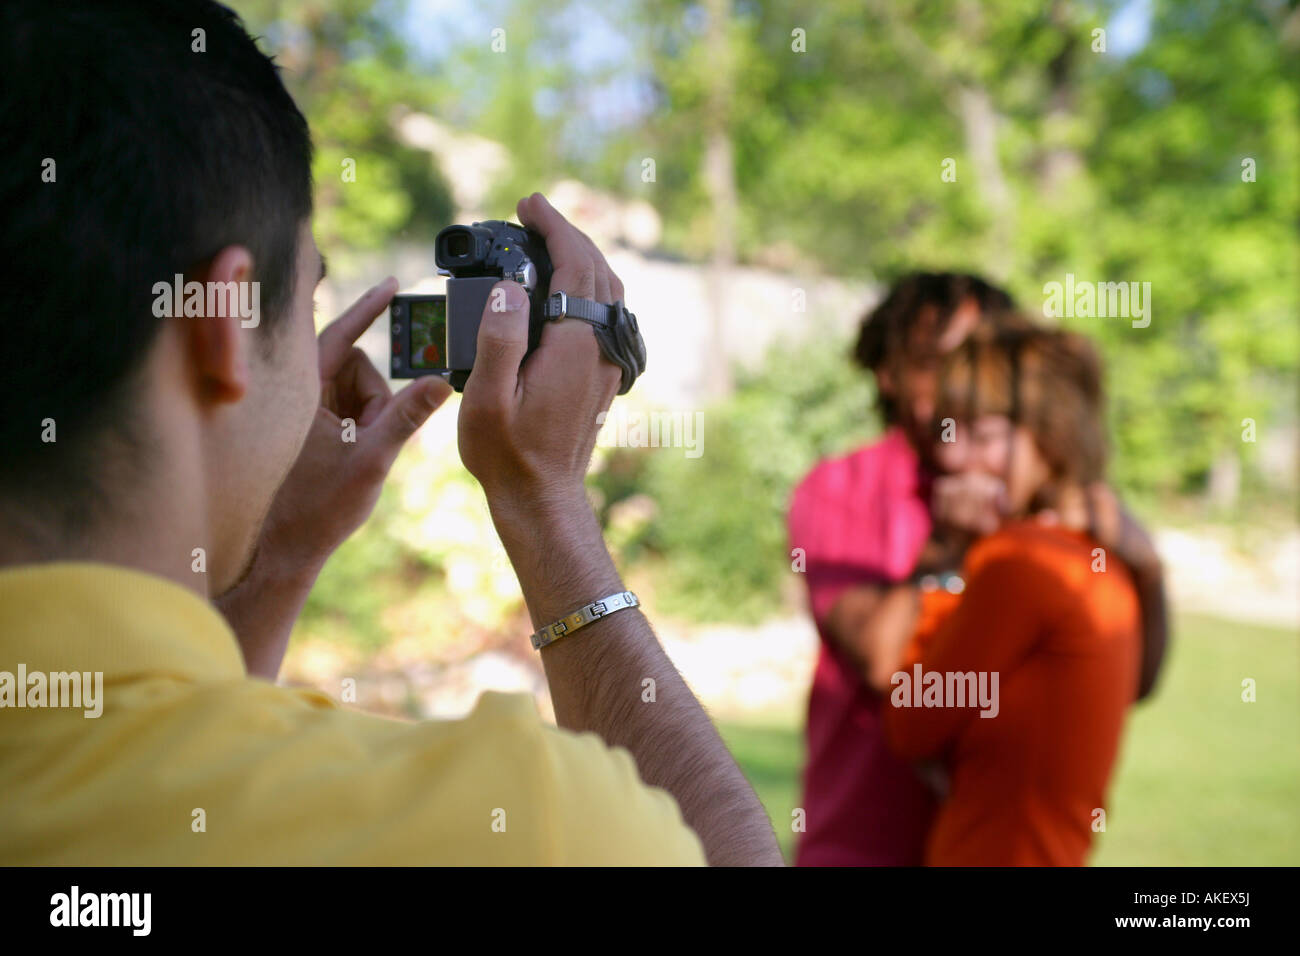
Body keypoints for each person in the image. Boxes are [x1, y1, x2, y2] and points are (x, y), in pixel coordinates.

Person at [0, 0, 782, 867]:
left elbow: (156, 782)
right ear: (219, 328)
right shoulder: (520, 824)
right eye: (308, 301)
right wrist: (546, 501)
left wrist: (282, 558)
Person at [787, 273, 1168, 866]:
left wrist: (1149, 572)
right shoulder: (844, 487)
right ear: (888, 373)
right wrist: (949, 549)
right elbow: (886, 666)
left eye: (978, 363)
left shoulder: (1038, 522)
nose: (954, 390)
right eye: (936, 363)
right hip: (862, 843)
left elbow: (1132, 679)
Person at [871, 324, 1142, 866]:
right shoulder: (1092, 558)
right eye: (953, 431)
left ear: (1052, 431)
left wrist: (948, 562)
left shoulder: (1021, 561)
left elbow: (911, 722)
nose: (954, 458)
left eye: (984, 434)